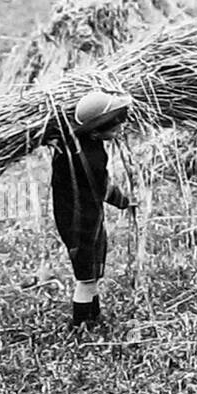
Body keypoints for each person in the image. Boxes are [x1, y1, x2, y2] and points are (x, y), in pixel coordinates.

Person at [50, 90, 135, 328]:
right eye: (114, 127)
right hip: (79, 222)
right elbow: (103, 188)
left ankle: (94, 318)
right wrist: (124, 202)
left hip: (87, 217)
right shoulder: (88, 156)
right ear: (96, 131)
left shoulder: (76, 144)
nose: (119, 130)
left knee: (93, 273)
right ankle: (80, 326)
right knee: (86, 278)